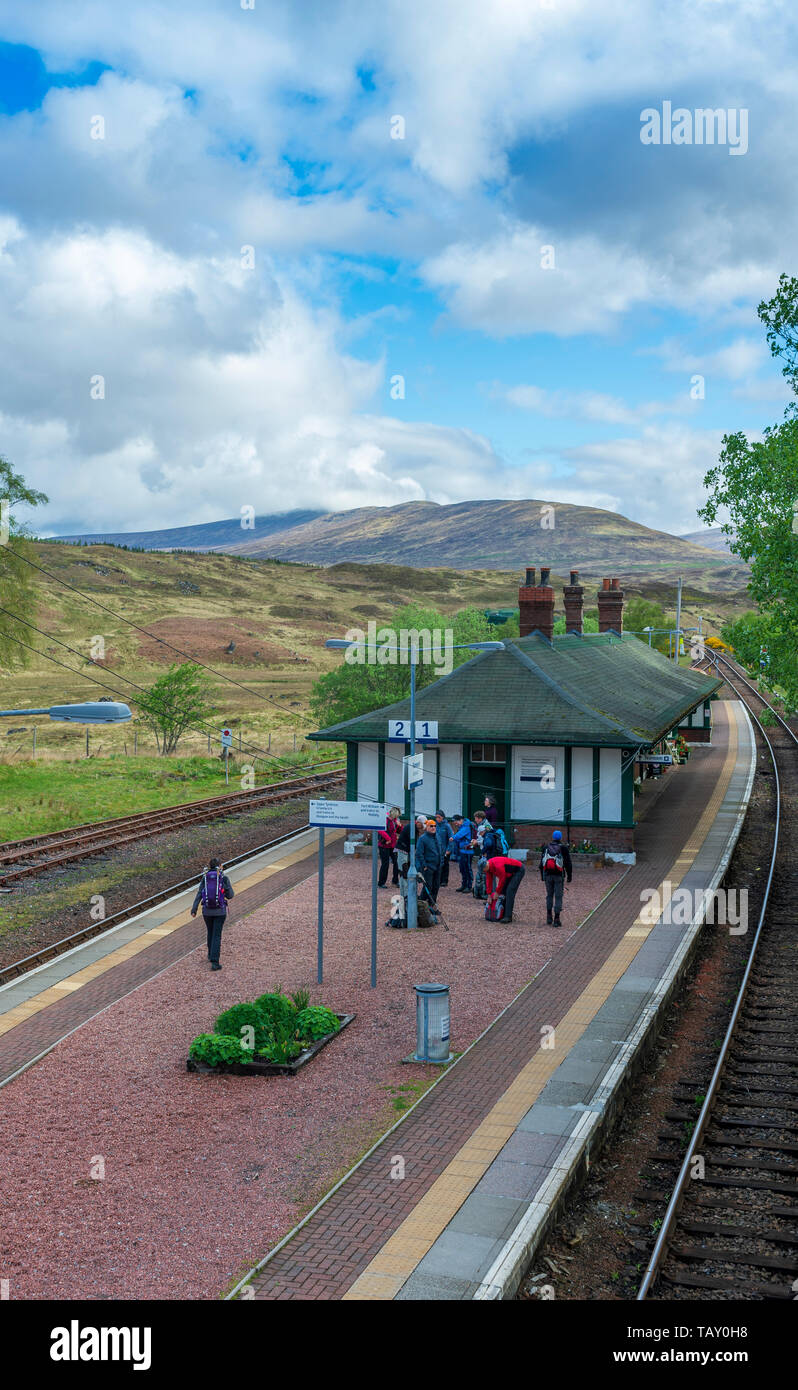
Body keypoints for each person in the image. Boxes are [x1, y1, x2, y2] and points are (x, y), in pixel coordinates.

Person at [191, 858, 235, 970]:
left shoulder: (205, 878)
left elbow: (199, 894)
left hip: (206, 911)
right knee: (216, 935)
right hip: (220, 911)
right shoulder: (223, 877)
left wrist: (194, 909)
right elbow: (230, 895)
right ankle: (215, 962)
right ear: (220, 866)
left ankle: (210, 955)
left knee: (210, 932)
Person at [539, 830, 573, 927]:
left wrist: (542, 876)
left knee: (549, 895)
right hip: (559, 875)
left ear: (553, 837)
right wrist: (569, 876)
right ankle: (557, 919)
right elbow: (568, 863)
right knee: (558, 896)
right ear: (560, 838)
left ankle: (549, 916)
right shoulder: (563, 848)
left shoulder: (546, 847)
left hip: (548, 875)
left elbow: (541, 863)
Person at [485, 855, 526, 922]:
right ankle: (501, 914)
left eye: (484, 870)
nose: (484, 871)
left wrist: (497, 892)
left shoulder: (498, 866)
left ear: (486, 866)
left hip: (518, 870)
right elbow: (488, 880)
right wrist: (489, 895)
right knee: (502, 891)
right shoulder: (487, 867)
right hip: (508, 873)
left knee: (510, 891)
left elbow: (502, 879)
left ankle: (508, 916)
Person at [416, 818, 443, 907]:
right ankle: (422, 902)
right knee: (428, 886)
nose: (433, 827)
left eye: (435, 826)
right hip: (428, 866)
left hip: (438, 866)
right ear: (427, 827)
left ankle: (432, 903)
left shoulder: (438, 837)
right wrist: (424, 865)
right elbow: (419, 853)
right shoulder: (422, 839)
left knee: (436, 885)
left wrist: (441, 862)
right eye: (431, 826)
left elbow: (441, 850)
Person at [450, 814, 474, 892]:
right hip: (462, 851)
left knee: (467, 868)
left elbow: (459, 835)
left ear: (461, 820)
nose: (455, 824)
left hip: (468, 851)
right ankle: (464, 885)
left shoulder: (466, 826)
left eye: (456, 822)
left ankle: (469, 886)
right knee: (462, 868)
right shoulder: (462, 827)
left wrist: (453, 837)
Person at [377, 810, 399, 888]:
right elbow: (380, 830)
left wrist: (399, 825)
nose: (397, 817)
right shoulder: (385, 819)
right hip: (384, 845)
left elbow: (397, 830)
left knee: (396, 862)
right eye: (397, 816)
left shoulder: (394, 821)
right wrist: (388, 838)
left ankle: (395, 880)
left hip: (393, 845)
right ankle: (381, 883)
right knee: (385, 864)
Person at [435, 810, 454, 887]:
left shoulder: (447, 826)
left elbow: (451, 838)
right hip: (437, 849)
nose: (437, 819)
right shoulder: (435, 825)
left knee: (445, 865)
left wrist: (449, 849)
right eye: (436, 817)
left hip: (445, 849)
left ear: (442, 817)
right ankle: (438, 879)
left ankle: (444, 880)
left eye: (439, 817)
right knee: (437, 864)